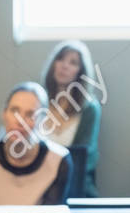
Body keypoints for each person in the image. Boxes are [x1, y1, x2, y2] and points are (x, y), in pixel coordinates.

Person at [0, 82, 72, 206]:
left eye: (30, 114)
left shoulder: (59, 161)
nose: (20, 121)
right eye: (14, 111)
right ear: (4, 113)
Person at [39, 41, 103, 197]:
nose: (64, 66)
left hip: (74, 184)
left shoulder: (89, 109)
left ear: (80, 72)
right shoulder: (37, 102)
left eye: (73, 63)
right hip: (37, 181)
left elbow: (86, 157)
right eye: (60, 59)